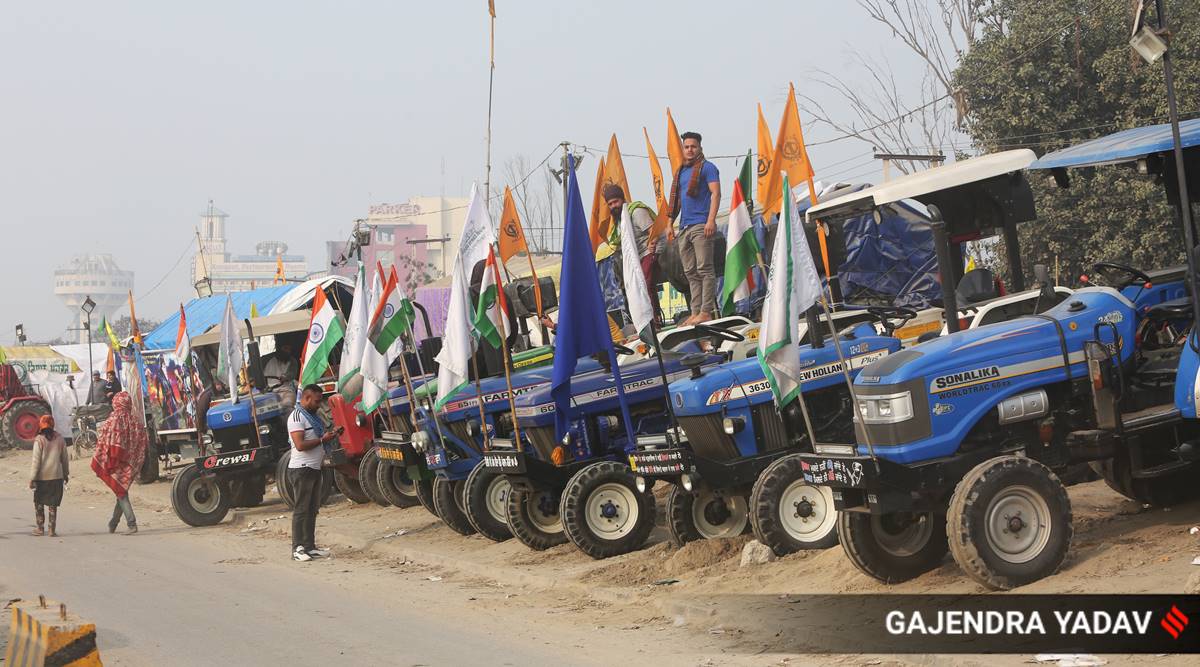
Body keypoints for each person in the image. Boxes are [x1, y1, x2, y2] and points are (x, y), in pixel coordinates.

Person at [669, 131, 721, 324]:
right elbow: (676, 202)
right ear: (682, 149)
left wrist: (711, 220)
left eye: (693, 146)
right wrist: (669, 224)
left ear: (700, 148)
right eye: (686, 147)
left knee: (704, 268)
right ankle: (695, 311)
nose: (690, 150)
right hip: (684, 227)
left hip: (701, 224)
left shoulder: (708, 168)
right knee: (690, 272)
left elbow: (716, 194)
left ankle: (706, 311)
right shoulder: (681, 171)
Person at [287, 384, 339, 562]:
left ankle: (309, 546)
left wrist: (330, 436)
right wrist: (322, 440)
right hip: (302, 469)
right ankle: (297, 548)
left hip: (315, 468)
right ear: (307, 398)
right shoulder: (296, 417)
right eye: (317, 401)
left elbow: (318, 437)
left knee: (312, 509)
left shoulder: (312, 416)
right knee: (301, 510)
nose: (319, 404)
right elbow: (300, 445)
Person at [603, 184, 666, 324]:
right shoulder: (620, 221)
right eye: (610, 204)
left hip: (652, 249)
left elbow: (653, 231)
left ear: (623, 199)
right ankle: (650, 319)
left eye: (616, 202)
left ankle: (653, 321)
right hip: (638, 256)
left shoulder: (636, 211)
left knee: (643, 282)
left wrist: (652, 244)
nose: (613, 206)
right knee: (635, 284)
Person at [90, 391, 147, 534]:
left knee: (121, 492)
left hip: (116, 462)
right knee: (121, 491)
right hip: (131, 462)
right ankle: (113, 523)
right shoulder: (136, 420)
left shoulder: (114, 418)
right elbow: (142, 441)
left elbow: (106, 438)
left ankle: (132, 524)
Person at [29, 415, 69, 536]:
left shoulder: (39, 440)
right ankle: (52, 529)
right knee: (53, 503)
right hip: (57, 476)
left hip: (42, 477)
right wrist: (66, 474)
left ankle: (40, 528)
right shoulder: (60, 438)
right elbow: (65, 459)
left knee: (39, 502)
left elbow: (36, 461)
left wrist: (32, 478)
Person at [263, 341, 299, 409]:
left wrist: (285, 377)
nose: (287, 351)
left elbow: (292, 374)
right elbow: (253, 368)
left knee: (288, 404)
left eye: (289, 349)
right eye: (285, 348)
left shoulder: (292, 361)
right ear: (279, 348)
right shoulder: (266, 359)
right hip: (267, 391)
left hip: (285, 389)